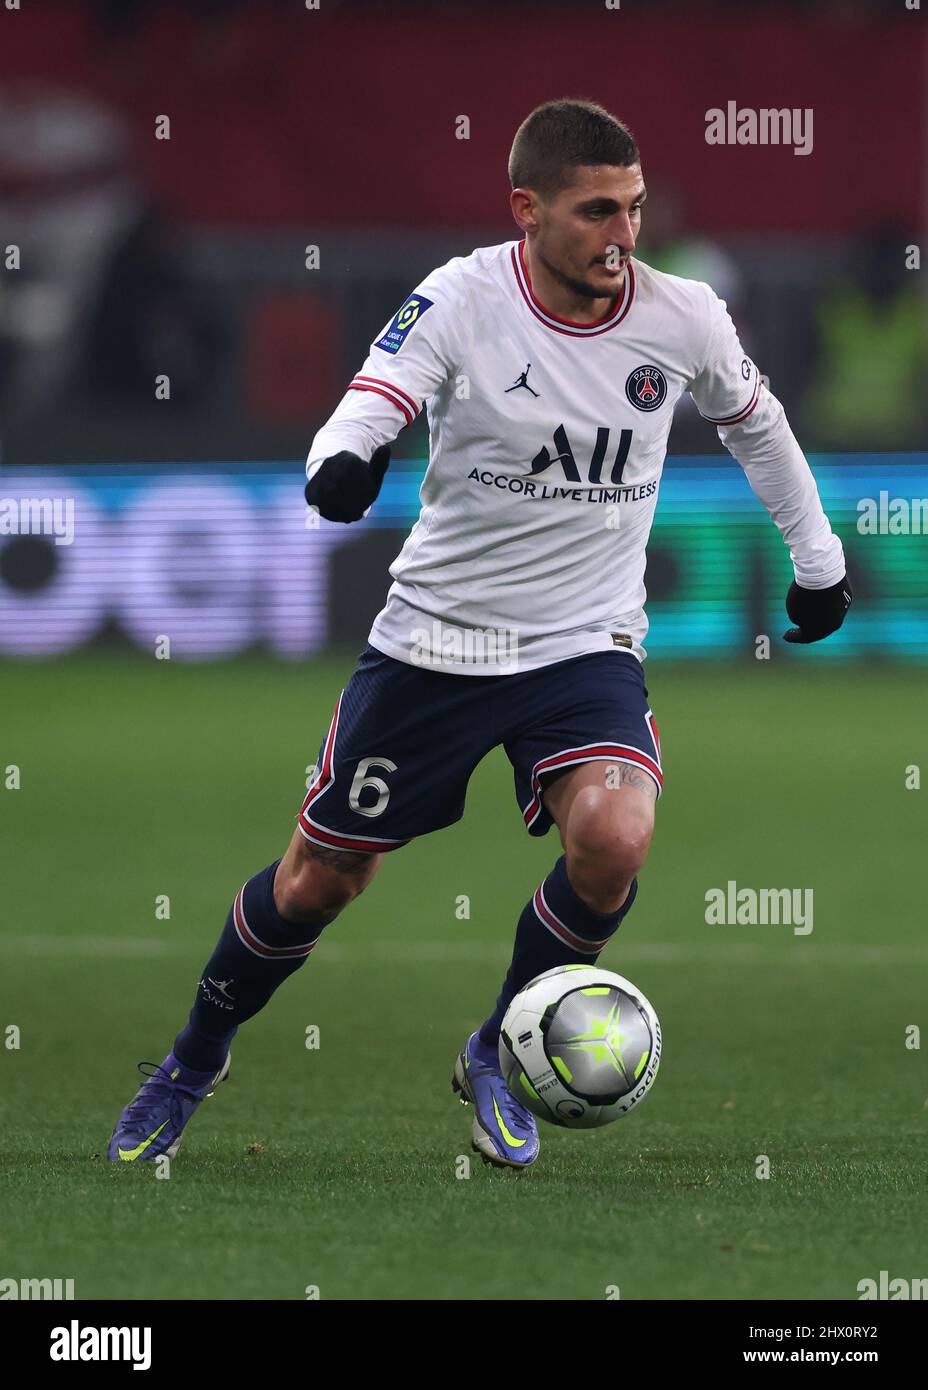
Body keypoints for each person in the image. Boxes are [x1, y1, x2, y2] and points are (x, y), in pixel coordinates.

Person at [109, 99, 851, 1170]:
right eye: (597, 211)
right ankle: (192, 1057)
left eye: (634, 209)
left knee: (615, 836)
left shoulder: (684, 313)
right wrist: (347, 457)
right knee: (317, 881)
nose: (623, 236)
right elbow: (377, 391)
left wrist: (817, 559)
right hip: (436, 645)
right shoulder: (461, 297)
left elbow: (758, 425)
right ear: (528, 210)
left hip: (583, 646)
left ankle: (497, 1047)